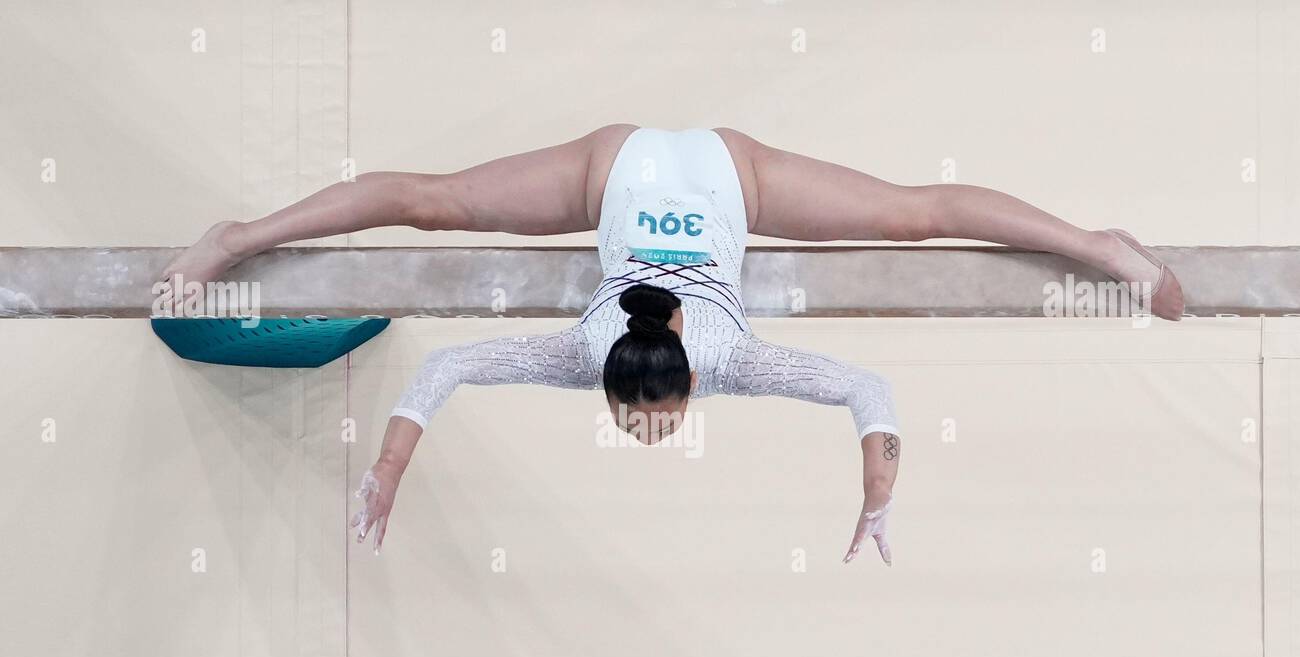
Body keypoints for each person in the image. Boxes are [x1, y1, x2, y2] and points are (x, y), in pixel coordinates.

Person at [160, 124, 1183, 564]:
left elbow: (866, 391)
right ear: (661, 383)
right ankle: (233, 237)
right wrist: (384, 474)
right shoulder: (604, 357)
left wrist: (878, 494)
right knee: (918, 210)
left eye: (642, 422)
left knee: (920, 211)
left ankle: (1096, 245)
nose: (650, 432)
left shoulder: (714, 362)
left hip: (657, 174)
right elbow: (446, 369)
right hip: (669, 173)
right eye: (650, 423)